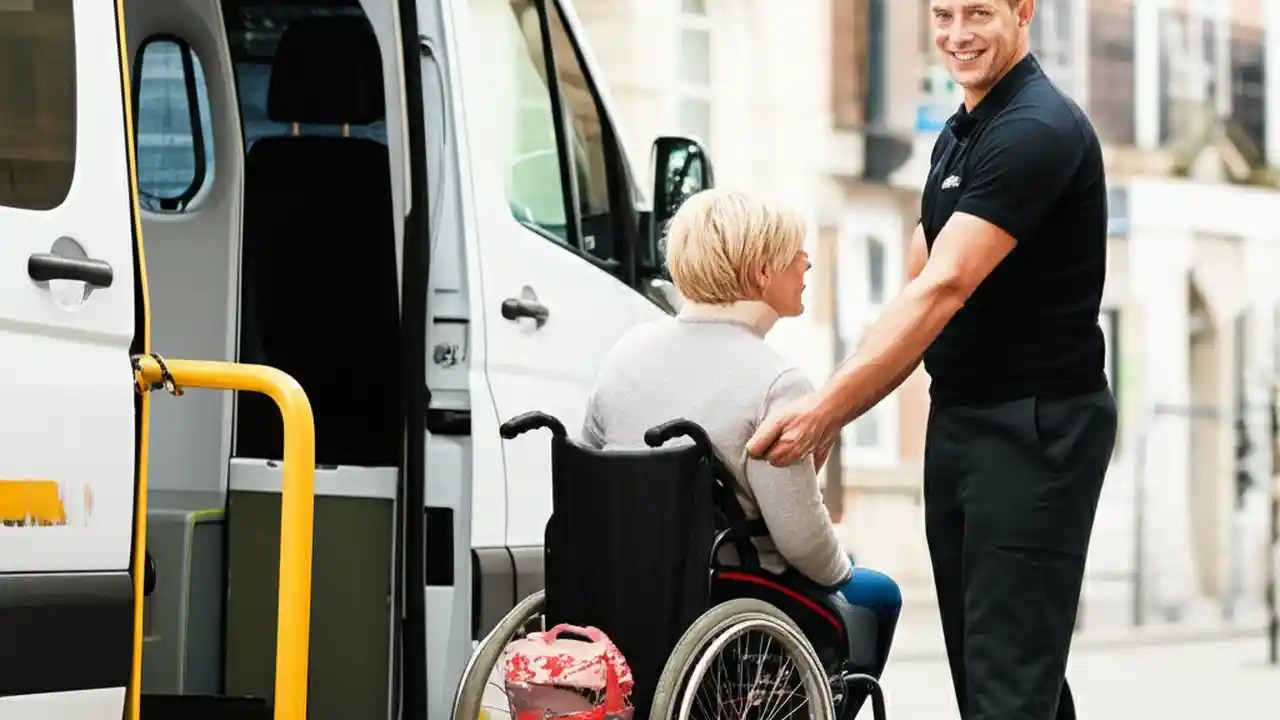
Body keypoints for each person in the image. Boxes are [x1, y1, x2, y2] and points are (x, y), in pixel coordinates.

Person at [747, 1, 1116, 719]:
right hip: (965, 421)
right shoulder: (960, 135)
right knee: (999, 674)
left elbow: (945, 287)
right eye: (942, 14)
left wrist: (827, 412)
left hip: (1034, 429)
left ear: (1022, 10)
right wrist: (834, 403)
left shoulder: (1036, 129)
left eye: (977, 12)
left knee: (1006, 683)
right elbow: (915, 288)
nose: (955, 34)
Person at [581, 187, 902, 678]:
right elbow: (805, 547)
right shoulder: (777, 382)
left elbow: (593, 467)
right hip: (732, 592)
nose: (808, 264)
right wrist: (842, 569)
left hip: (627, 587)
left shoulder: (625, 352)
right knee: (876, 592)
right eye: (796, 252)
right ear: (761, 273)